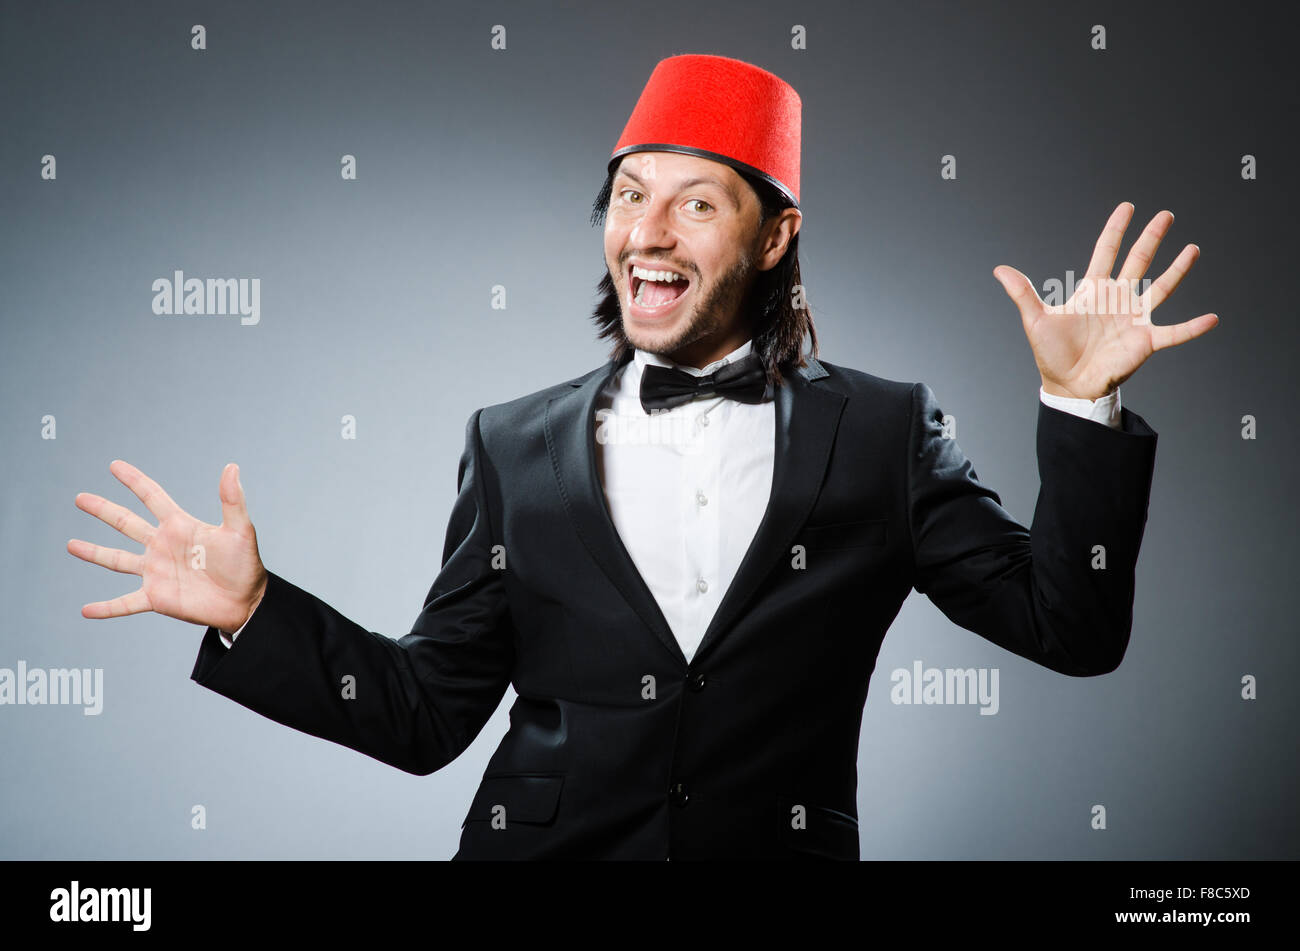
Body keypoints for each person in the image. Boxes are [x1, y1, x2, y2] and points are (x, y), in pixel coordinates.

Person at [68, 54, 1217, 859]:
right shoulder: (511, 445)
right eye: (629, 196)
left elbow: (1070, 629)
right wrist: (255, 611)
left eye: (695, 203)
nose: (647, 233)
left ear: (773, 239)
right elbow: (423, 717)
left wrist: (1078, 408)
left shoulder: (879, 435)